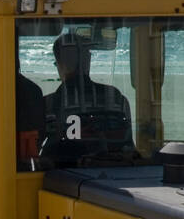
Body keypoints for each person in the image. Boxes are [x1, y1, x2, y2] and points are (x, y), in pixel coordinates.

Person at [42, 32, 133, 164]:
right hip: (115, 171)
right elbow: (128, 148)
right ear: (87, 60)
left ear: (61, 64)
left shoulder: (49, 104)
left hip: (62, 175)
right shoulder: (115, 98)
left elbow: (36, 156)